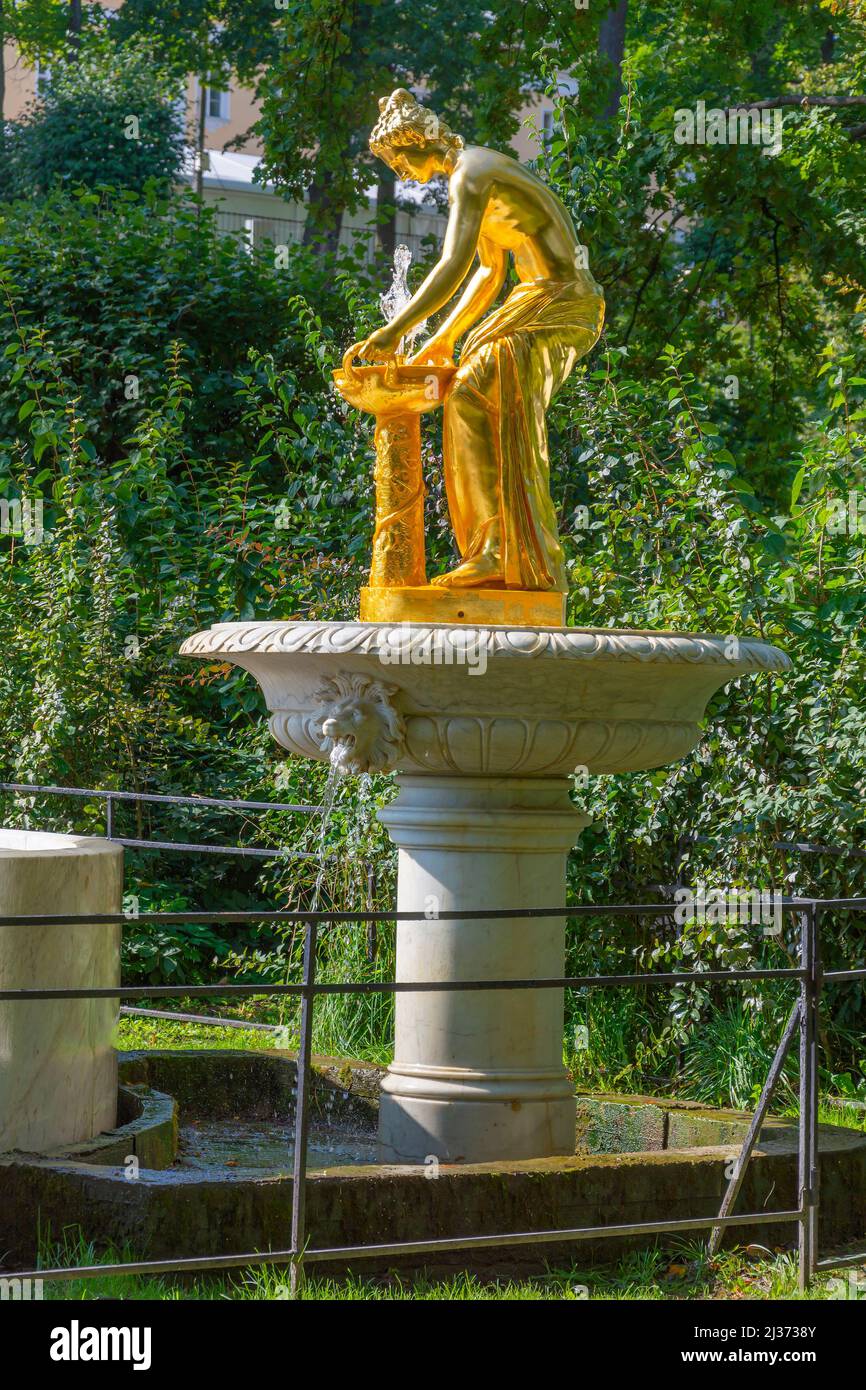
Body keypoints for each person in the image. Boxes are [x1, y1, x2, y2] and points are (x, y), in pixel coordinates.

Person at [358, 88, 605, 592]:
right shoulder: (477, 168)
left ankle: (501, 553)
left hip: (560, 300)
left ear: (414, 144)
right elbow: (490, 273)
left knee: (473, 393)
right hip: (538, 298)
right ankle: (498, 553)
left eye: (398, 162)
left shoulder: (471, 173)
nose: (402, 174)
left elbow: (453, 264)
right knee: (472, 394)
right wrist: (445, 338)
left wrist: (393, 330)